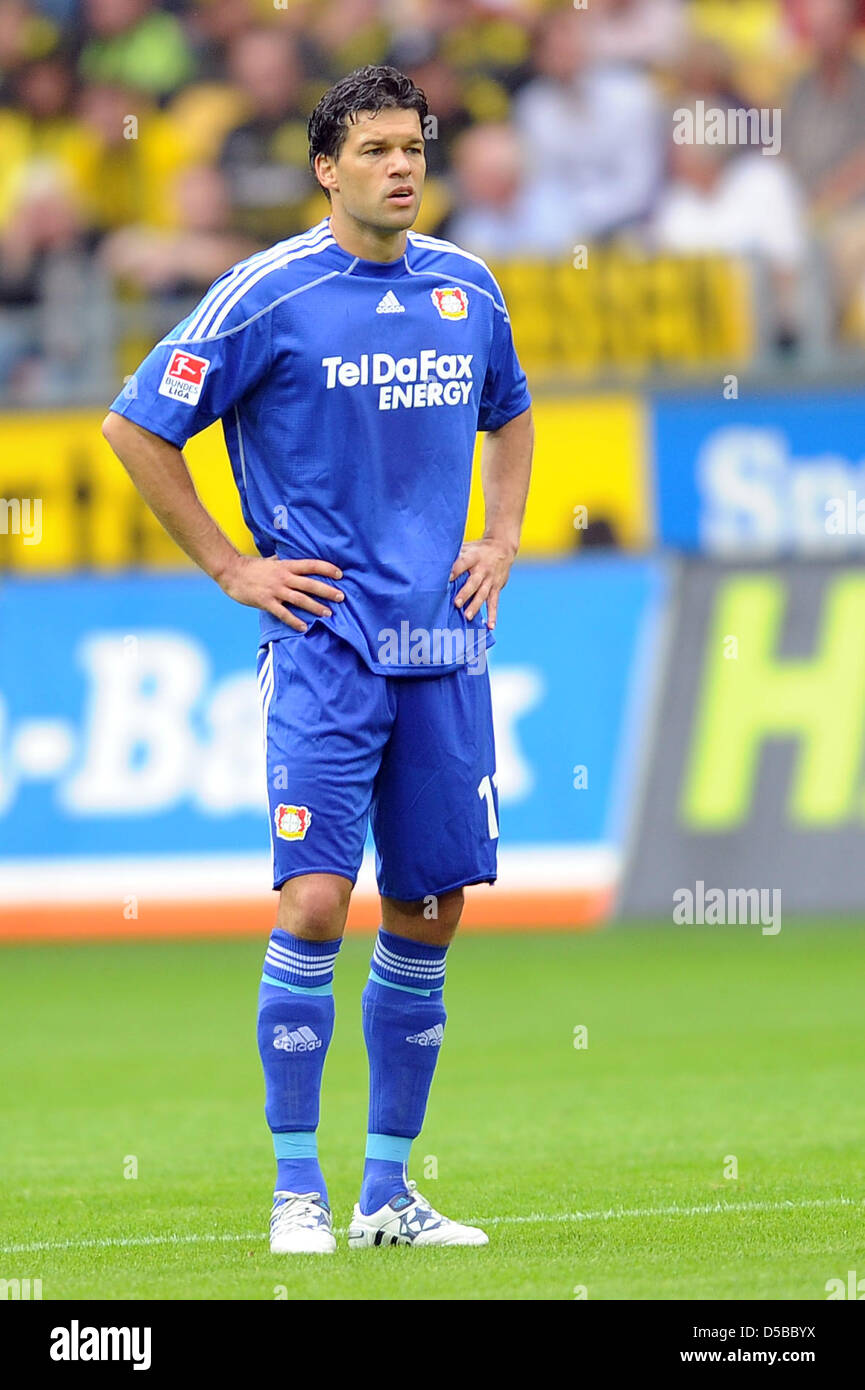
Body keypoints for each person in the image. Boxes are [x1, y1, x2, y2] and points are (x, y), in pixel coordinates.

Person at [101, 64, 534, 1253]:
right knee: (311, 900)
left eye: (416, 146)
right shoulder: (265, 295)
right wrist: (237, 568)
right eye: (380, 149)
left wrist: (499, 535)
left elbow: (511, 409)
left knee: (431, 908)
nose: (404, 166)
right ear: (325, 168)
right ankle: (298, 1187)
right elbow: (136, 426)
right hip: (325, 646)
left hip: (442, 642)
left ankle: (387, 1194)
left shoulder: (467, 288)